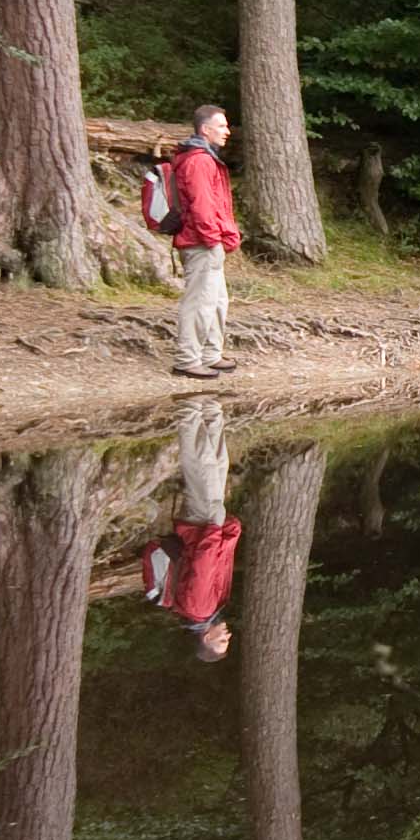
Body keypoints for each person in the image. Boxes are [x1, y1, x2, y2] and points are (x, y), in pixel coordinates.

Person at [146, 399, 240, 660]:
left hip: (203, 528)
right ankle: (211, 410)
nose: (228, 635)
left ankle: (189, 412)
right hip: (208, 528)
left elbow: (204, 563)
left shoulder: (199, 609)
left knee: (202, 468)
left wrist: (214, 530)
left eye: (222, 640)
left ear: (207, 637)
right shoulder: (208, 609)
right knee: (217, 467)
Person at [167, 102, 242, 378]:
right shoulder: (199, 161)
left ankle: (210, 354)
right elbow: (202, 206)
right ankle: (187, 360)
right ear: (205, 129)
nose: (227, 132)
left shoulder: (204, 158)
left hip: (208, 241)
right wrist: (213, 240)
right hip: (200, 243)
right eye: (221, 126)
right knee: (200, 302)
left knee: (217, 301)